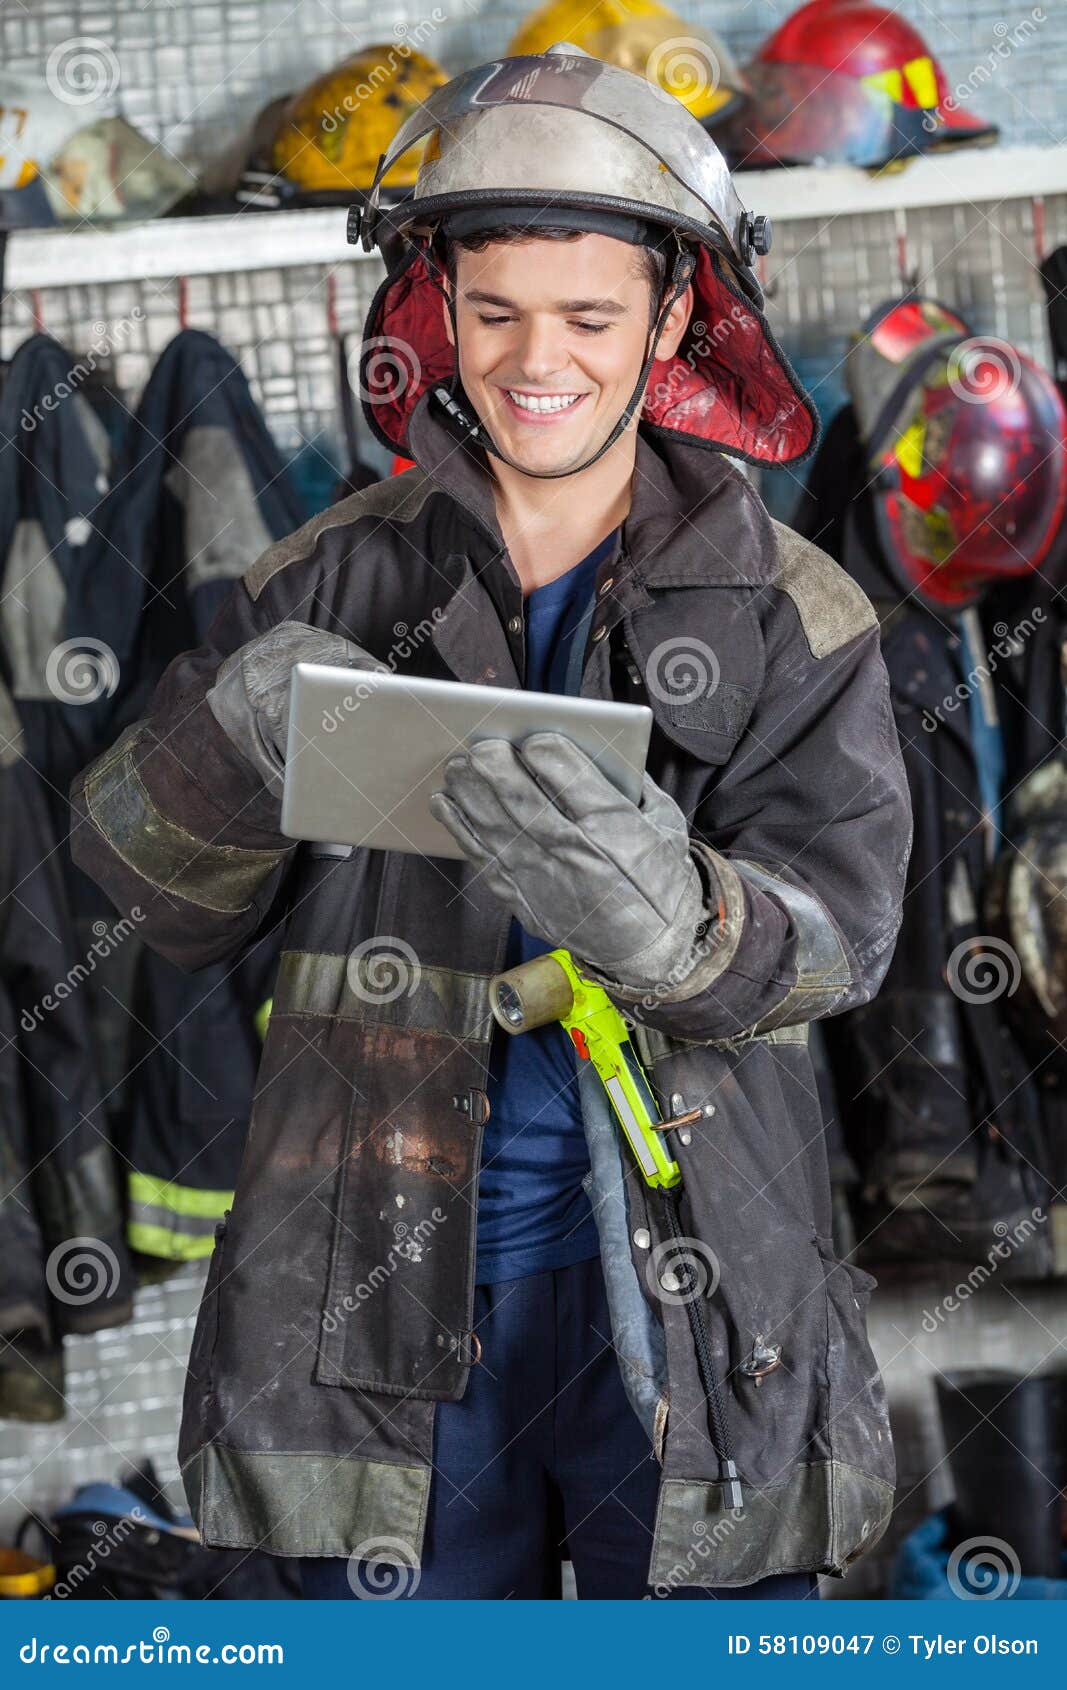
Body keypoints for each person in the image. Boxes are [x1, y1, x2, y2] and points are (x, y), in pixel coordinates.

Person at [70, 45, 912, 1599]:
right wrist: (222, 758)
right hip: (374, 1302)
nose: (541, 361)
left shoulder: (795, 611)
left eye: (591, 317)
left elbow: (846, 936)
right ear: (440, 308)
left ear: (670, 318)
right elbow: (142, 899)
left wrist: (696, 920)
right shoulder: (325, 576)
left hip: (690, 1305)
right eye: (497, 310)